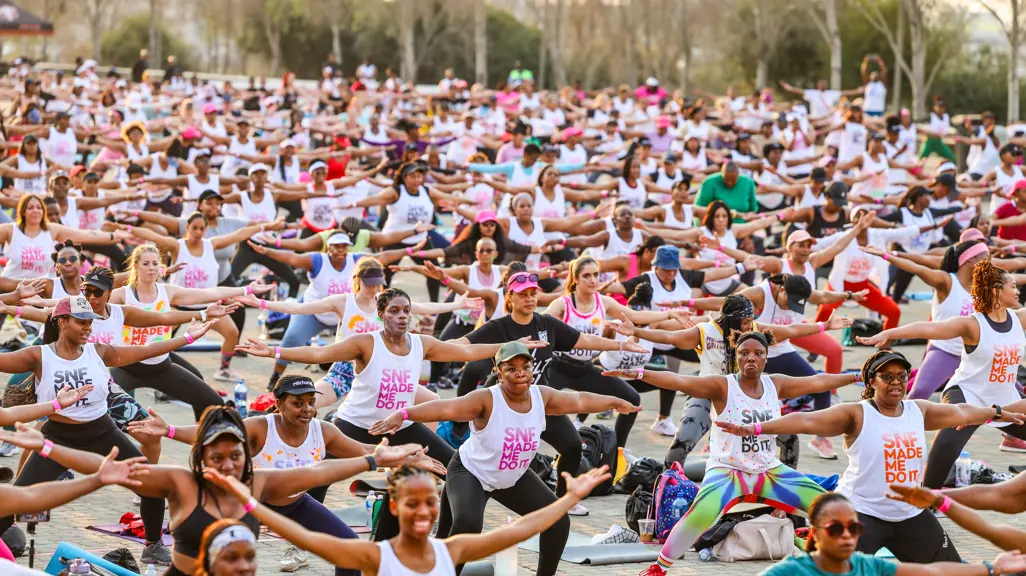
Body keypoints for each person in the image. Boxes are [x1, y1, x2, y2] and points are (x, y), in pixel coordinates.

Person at [0, 404, 429, 576]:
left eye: (235, 456)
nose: (227, 465)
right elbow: (105, 467)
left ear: (246, 456)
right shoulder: (180, 482)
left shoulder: (259, 483)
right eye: (217, 456)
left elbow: (319, 470)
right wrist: (49, 447)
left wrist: (376, 459)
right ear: (201, 457)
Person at [717, 349, 1026, 562]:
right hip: (860, 513)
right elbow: (806, 421)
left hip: (910, 514)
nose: (896, 382)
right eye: (887, 376)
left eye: (902, 375)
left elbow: (961, 411)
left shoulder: (918, 410)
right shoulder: (856, 414)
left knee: (952, 570)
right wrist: (756, 428)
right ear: (871, 382)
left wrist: (997, 412)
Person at [128, 373, 443, 575]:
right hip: (251, 502)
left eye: (310, 403)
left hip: (294, 503)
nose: (306, 410)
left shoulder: (323, 431)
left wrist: (406, 459)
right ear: (278, 404)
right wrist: (169, 430)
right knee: (216, 555)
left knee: (348, 548)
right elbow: (212, 433)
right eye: (297, 403)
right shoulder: (259, 427)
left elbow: (364, 453)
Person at [369, 341, 638, 576]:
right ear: (499, 372)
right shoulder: (486, 400)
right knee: (466, 526)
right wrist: (404, 414)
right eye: (511, 368)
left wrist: (614, 402)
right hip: (470, 473)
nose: (520, 373)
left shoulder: (541, 397)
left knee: (557, 520)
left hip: (513, 477)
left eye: (525, 367)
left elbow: (578, 400)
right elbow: (445, 407)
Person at [607, 330, 859, 574]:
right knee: (700, 515)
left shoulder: (776, 384)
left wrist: (857, 376)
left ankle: (839, 559)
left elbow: (817, 381)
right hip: (728, 471)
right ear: (736, 356)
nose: (751, 358)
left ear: (766, 357)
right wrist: (641, 373)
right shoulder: (722, 386)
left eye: (758, 353)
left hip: (768, 471)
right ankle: (658, 569)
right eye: (744, 353)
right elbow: (680, 380)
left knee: (829, 507)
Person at [0, 295, 217, 566]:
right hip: (58, 436)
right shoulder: (38, 356)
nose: (88, 327)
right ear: (62, 322)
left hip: (103, 432)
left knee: (152, 486)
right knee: (14, 501)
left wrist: (187, 337)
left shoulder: (99, 351)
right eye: (81, 321)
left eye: (90, 322)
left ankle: (153, 546)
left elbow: (147, 350)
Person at [202, 459, 609, 576]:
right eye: (412, 503)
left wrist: (567, 499)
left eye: (430, 502)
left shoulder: (452, 550)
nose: (424, 511)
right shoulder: (375, 557)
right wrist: (249, 500)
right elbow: (306, 539)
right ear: (394, 507)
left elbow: (522, 528)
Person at [859, 258, 1026, 487]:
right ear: (996, 291)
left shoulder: (1019, 319)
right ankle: (925, 497)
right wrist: (890, 333)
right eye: (1013, 287)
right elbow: (930, 328)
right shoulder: (972, 324)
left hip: (1006, 400)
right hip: (967, 396)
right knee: (945, 450)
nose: (1018, 291)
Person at [758, 492, 1026, 576]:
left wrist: (993, 568)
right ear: (815, 532)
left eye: (854, 528)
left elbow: (933, 571)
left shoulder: (866, 566)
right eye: (836, 529)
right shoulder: (789, 571)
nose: (847, 536)